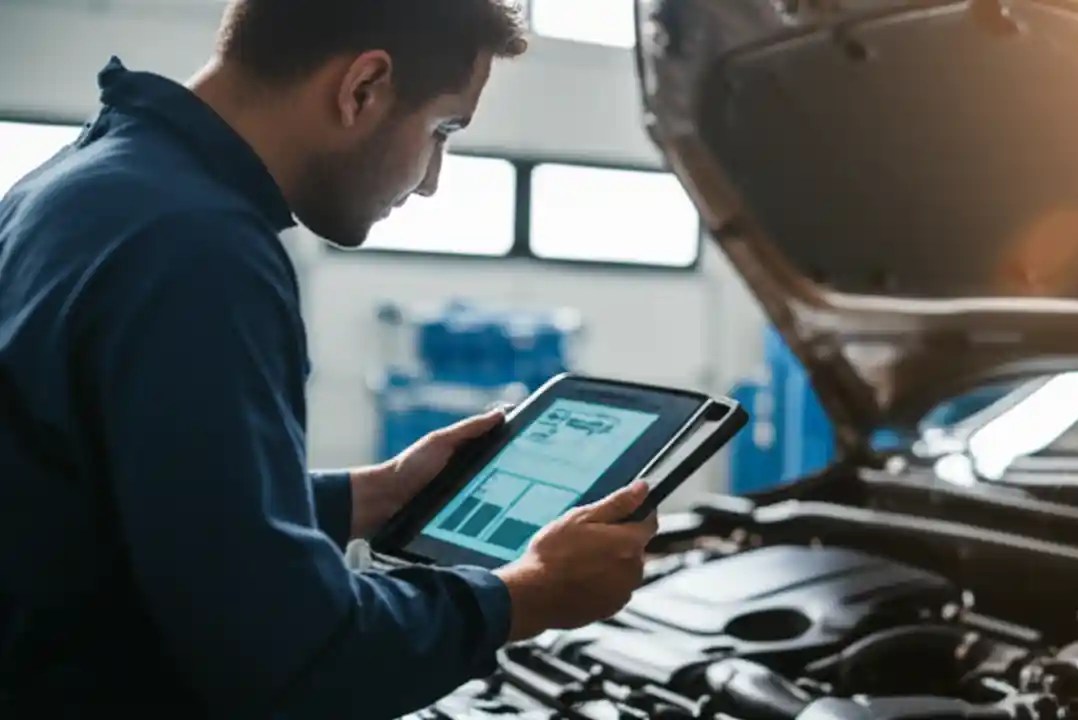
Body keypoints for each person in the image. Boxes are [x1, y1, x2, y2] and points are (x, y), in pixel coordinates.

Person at [0, 1, 658, 717]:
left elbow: (149, 512)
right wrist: (525, 594)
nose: (434, 178)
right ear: (363, 89)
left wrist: (377, 494)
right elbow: (291, 659)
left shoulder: (84, 187)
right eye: (442, 130)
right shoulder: (198, 250)